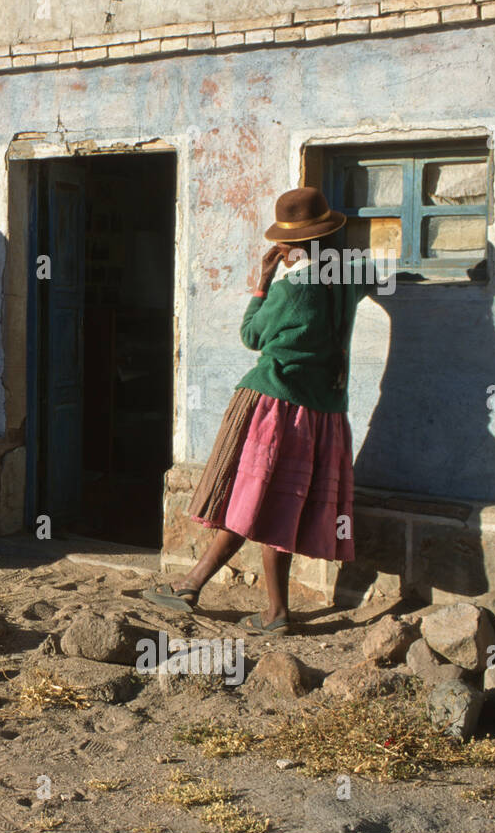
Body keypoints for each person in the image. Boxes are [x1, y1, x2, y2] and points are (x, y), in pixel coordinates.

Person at [143, 187, 371, 634]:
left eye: (283, 243)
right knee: (280, 505)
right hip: (323, 414)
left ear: (293, 245)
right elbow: (366, 277)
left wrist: (261, 283)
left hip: (273, 405)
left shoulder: (290, 290)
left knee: (251, 499)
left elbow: (251, 335)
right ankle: (260, 607)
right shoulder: (347, 279)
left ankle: (210, 591)